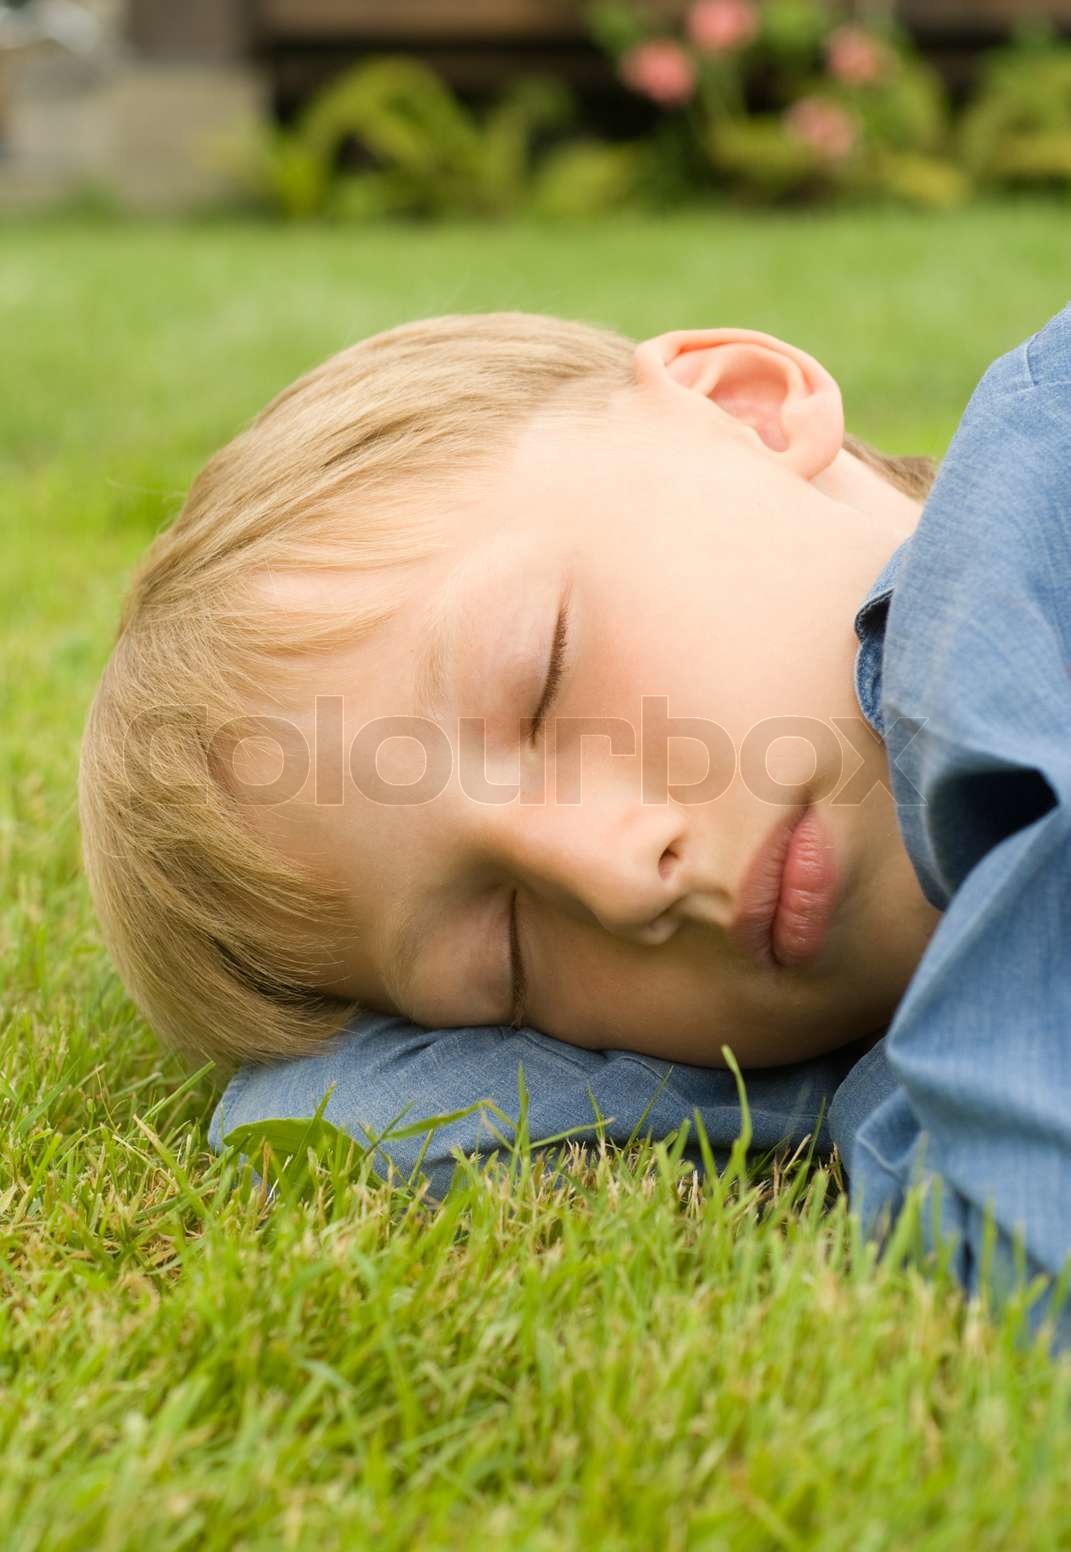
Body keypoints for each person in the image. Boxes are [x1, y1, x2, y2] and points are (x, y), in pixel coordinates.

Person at [79, 306, 1071, 1350]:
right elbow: (355, 1118)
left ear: (747, 407)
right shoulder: (913, 1095)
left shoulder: (1035, 479)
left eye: (541, 680)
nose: (619, 879)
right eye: (505, 960)